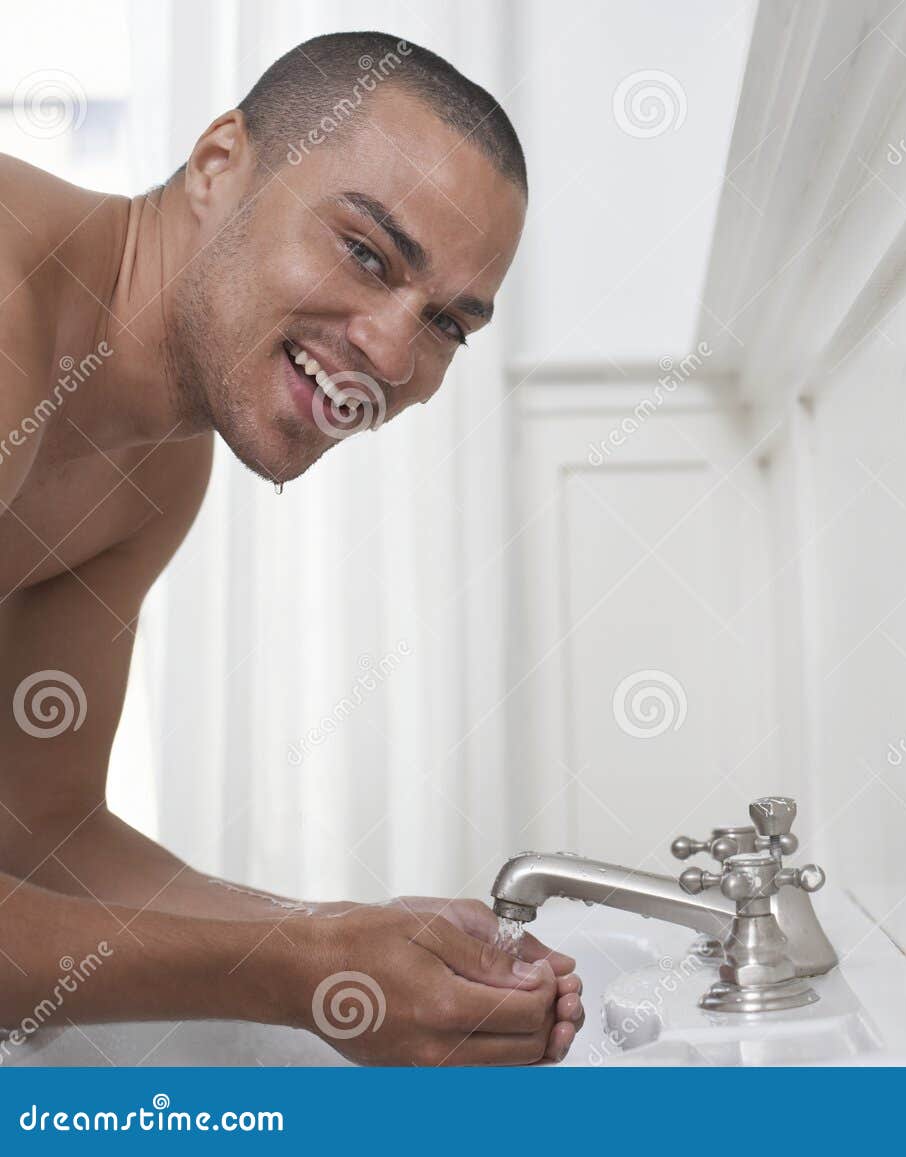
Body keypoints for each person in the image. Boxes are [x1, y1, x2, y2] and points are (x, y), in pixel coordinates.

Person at [0, 31, 583, 1065]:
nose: (394, 354)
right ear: (220, 163)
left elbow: (42, 832)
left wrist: (356, 940)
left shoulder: (160, 468)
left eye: (447, 322)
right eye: (366, 252)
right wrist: (301, 970)